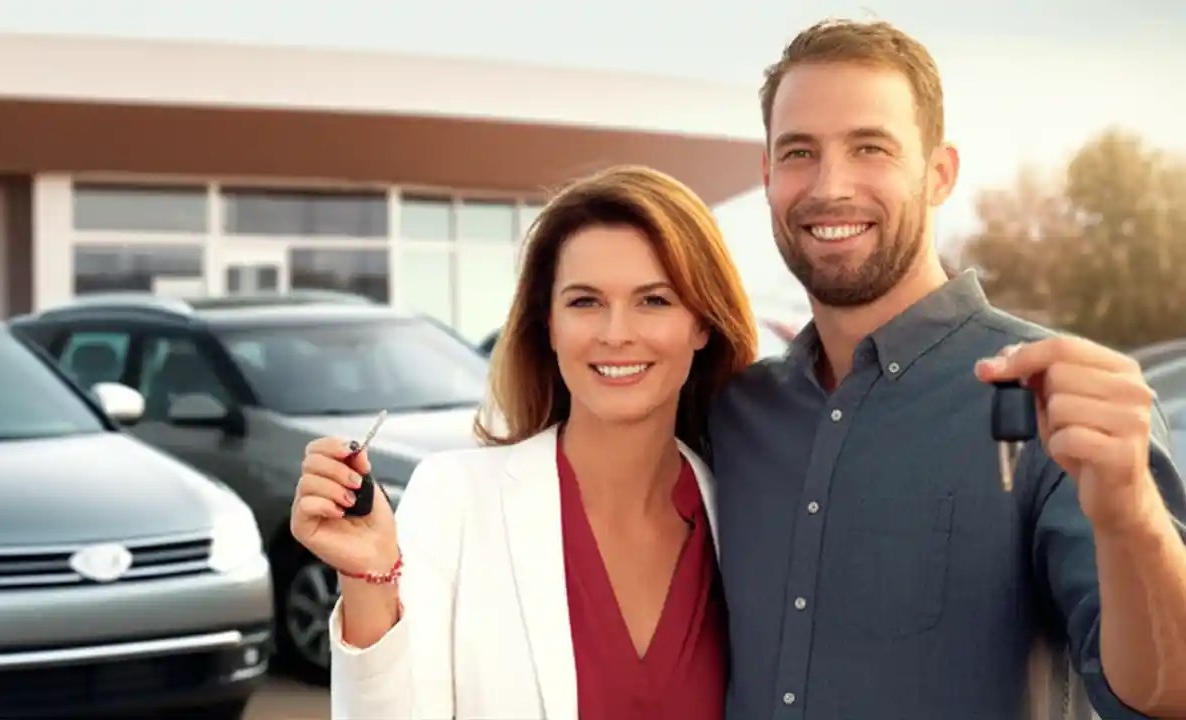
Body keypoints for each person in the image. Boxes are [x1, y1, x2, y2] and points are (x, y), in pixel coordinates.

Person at [706, 18, 1186, 720]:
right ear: (769, 177)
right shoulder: (734, 413)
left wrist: (1134, 520)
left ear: (939, 174)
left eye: (870, 147)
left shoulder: (1048, 400)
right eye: (799, 152)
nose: (830, 185)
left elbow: (1167, 697)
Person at [290, 165, 760, 718]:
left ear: (702, 323)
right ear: (549, 325)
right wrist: (368, 581)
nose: (616, 333)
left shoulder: (743, 512)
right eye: (585, 301)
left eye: (654, 300)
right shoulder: (456, 500)